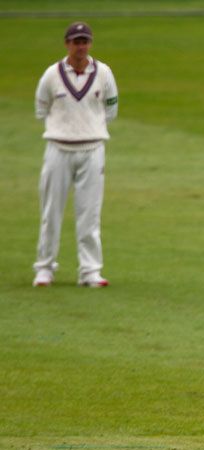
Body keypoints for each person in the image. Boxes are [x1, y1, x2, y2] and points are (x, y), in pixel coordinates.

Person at [32, 22, 118, 288]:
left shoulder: (103, 73)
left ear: (90, 43)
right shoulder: (52, 74)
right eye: (76, 41)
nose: (81, 46)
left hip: (92, 149)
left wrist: (90, 127)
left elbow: (111, 108)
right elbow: (41, 107)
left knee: (90, 213)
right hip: (58, 149)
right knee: (51, 211)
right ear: (67, 44)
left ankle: (90, 271)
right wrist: (64, 128)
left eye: (85, 41)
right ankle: (45, 268)